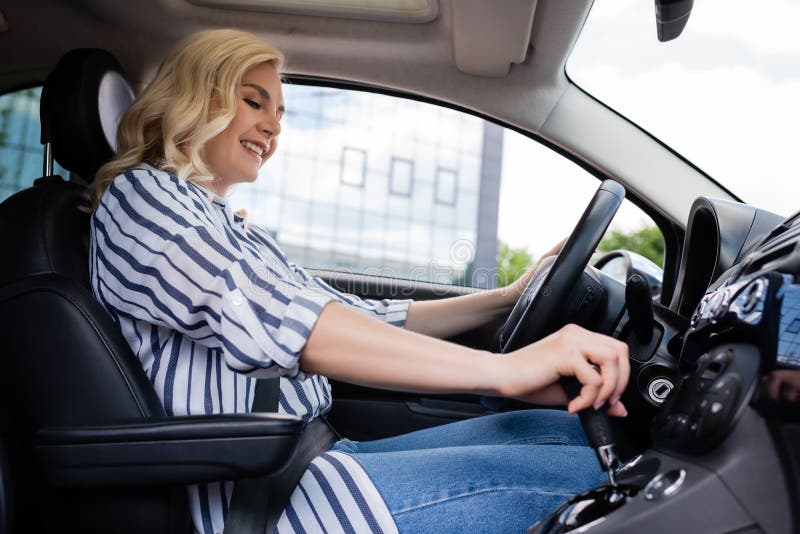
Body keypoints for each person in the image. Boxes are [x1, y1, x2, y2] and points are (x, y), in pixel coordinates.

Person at [89, 29, 630, 534]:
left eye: (279, 111)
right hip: (259, 500)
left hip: (312, 458)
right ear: (190, 99)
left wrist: (507, 298)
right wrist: (504, 371)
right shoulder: (142, 200)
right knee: (586, 479)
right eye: (254, 102)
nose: (274, 127)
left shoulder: (227, 225)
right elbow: (281, 322)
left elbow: (356, 317)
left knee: (560, 434)